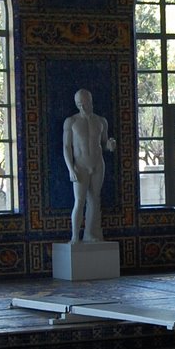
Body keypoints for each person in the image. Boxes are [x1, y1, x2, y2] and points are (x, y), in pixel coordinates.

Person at [63, 87, 116, 243]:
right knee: (79, 201)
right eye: (79, 104)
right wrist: (70, 168)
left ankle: (89, 234)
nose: (82, 107)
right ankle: (75, 236)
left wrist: (110, 145)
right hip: (80, 166)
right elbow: (66, 147)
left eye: (85, 103)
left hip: (98, 164)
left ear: (91, 101)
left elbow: (104, 143)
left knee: (94, 200)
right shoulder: (71, 121)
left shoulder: (101, 121)